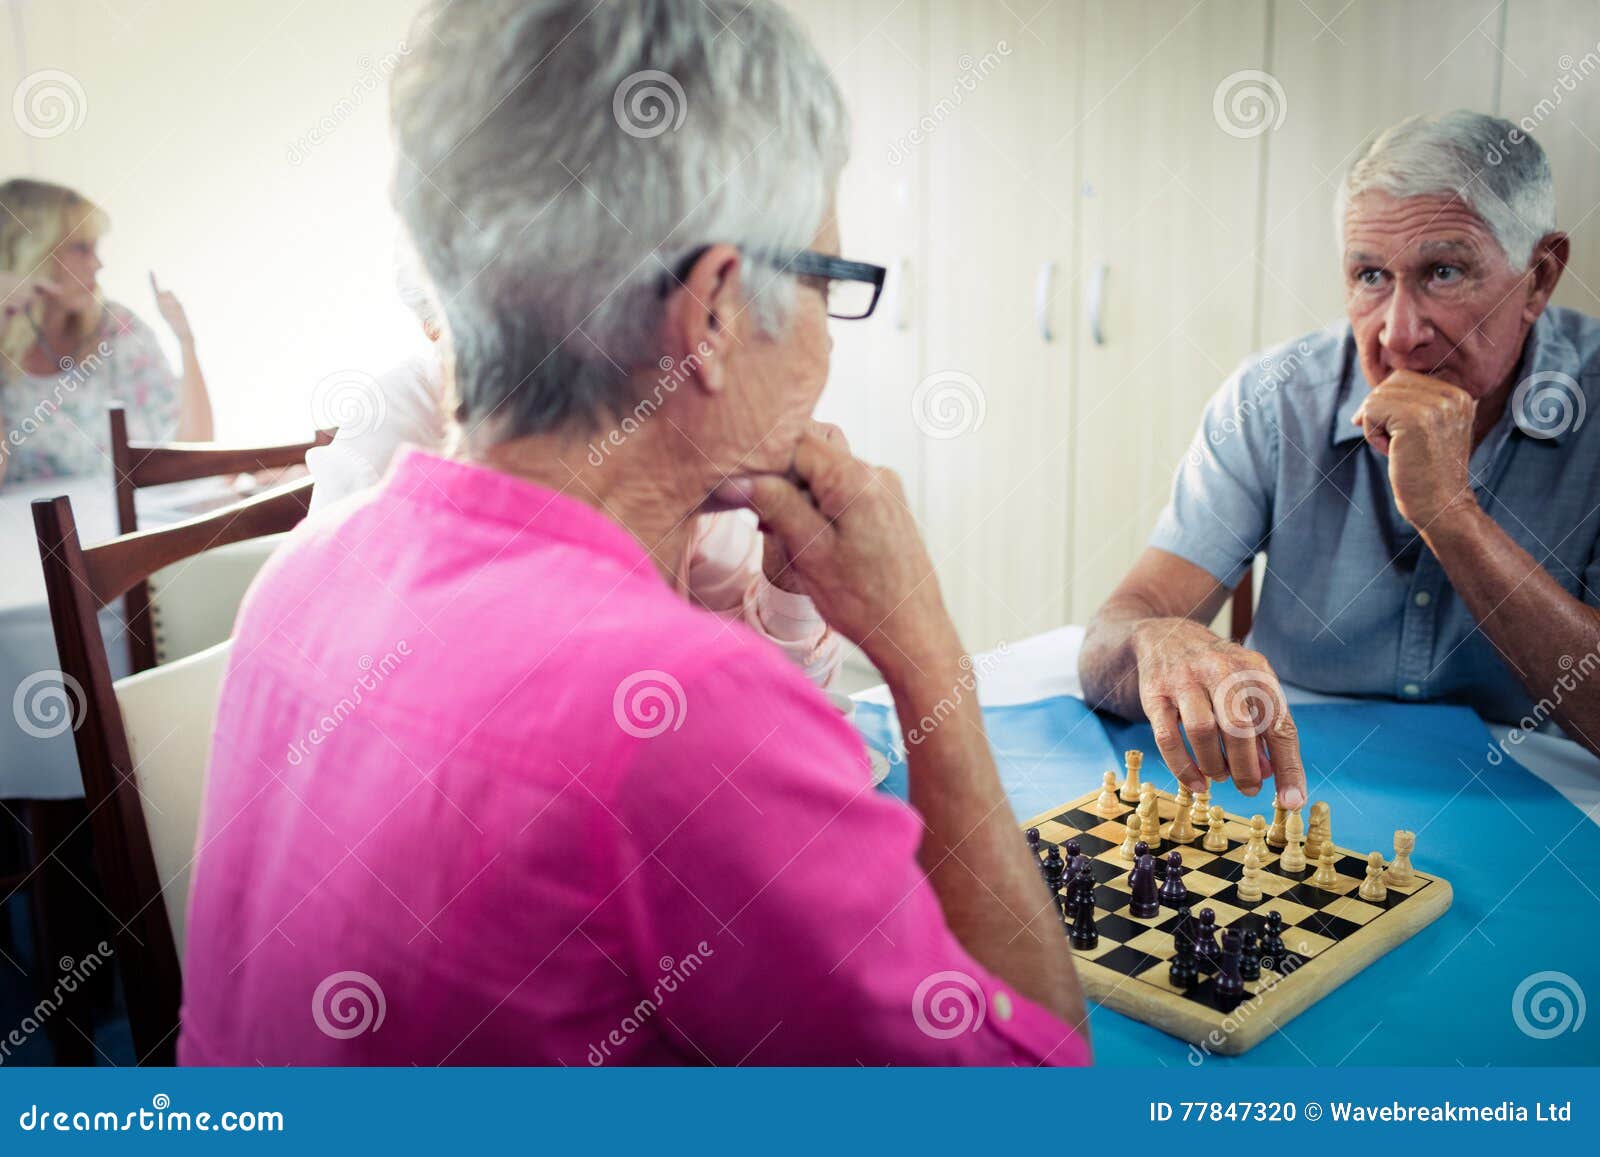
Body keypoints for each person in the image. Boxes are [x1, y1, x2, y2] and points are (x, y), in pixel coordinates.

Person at [180, 0, 1090, 1066]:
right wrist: (926, 650)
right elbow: (1034, 1095)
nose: (825, 341)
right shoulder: (684, 713)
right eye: (826, 280)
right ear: (710, 311)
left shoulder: (300, 574)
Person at [1081, 110, 1600, 793]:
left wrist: (1451, 515)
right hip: (1297, 783)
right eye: (1370, 276)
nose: (1399, 332)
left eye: (1444, 271)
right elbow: (1110, 637)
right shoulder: (1273, 398)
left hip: (1546, 795)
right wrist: (1156, 641)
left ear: (1537, 276)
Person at [307, 248, 844, 686]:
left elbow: (775, 695)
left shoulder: (662, 411)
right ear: (435, 333)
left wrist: (789, 575)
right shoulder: (389, 436)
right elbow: (347, 678)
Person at [0, 179, 212, 486]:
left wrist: (186, 343)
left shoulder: (119, 330)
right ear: (33, 252)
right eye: (80, 248)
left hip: (126, 530)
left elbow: (193, 454)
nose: (98, 264)